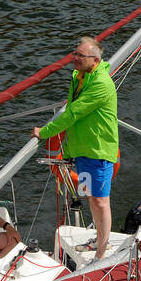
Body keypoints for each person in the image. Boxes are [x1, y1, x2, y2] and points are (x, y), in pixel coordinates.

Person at [32, 36, 119, 259]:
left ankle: (101, 252)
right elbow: (72, 108)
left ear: (95, 60)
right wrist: (69, 151)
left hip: (97, 151)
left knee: (101, 201)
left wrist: (45, 132)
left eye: (81, 56)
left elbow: (73, 113)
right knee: (91, 197)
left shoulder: (100, 83)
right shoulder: (79, 77)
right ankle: (98, 240)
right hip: (81, 151)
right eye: (75, 54)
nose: (75, 58)